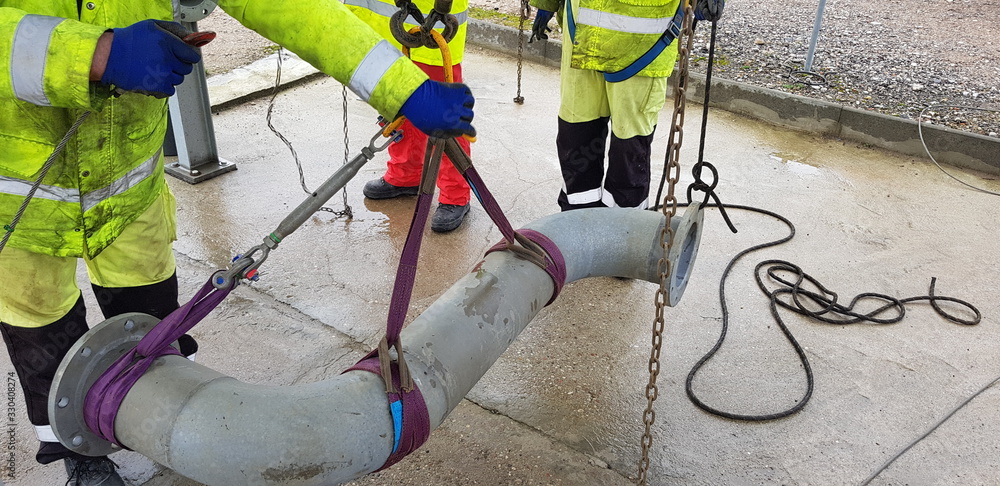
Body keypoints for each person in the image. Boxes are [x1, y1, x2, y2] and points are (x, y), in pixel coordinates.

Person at [0, 1, 474, 484]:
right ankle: (77, 451)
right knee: (40, 327)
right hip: (14, 207)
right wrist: (90, 53)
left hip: (129, 189)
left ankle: (159, 415)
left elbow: (288, 8)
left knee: (150, 311)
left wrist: (403, 87)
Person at [529, 0, 722, 211]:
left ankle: (625, 225)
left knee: (628, 151)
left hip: (643, 43)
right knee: (577, 138)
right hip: (581, 35)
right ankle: (576, 218)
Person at [347, 0, 475, 232]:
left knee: (443, 113)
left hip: (434, 27)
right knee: (399, 106)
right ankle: (406, 175)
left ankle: (455, 194)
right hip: (381, 33)